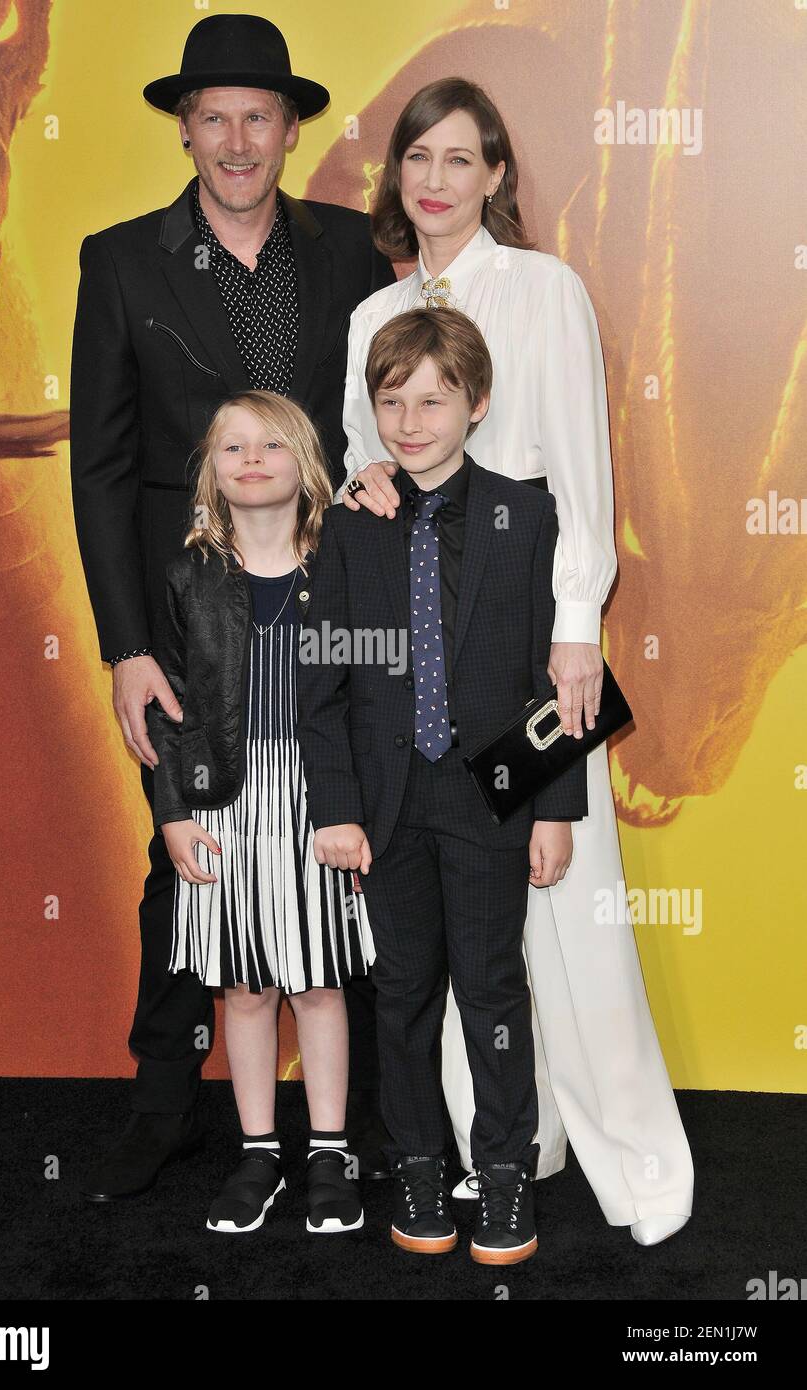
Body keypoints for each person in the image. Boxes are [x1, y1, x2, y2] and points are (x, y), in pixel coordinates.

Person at [338, 78, 694, 1244]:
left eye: (459, 159)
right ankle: (503, 1153)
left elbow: (579, 468)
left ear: (497, 175)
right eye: (416, 159)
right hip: (420, 668)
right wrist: (365, 477)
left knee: (570, 903)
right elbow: (360, 469)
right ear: (395, 179)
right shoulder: (371, 315)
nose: (434, 180)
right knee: (453, 938)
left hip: (536, 656)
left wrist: (578, 625)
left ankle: (638, 1168)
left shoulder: (546, 290)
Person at [70, 14, 395, 1202]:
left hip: (328, 613)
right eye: (214, 116)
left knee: (341, 842)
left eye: (260, 115)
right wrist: (124, 647)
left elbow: (387, 415)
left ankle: (350, 1129)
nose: (238, 139)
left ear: (292, 128)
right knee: (189, 860)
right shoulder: (121, 260)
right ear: (185, 128)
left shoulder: (356, 250)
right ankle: (165, 1105)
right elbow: (101, 467)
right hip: (185, 627)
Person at [297, 305, 589, 1262]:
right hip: (386, 806)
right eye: (392, 401)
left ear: (477, 403)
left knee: (494, 989)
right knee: (404, 990)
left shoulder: (527, 515)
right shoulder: (352, 526)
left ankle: (504, 1176)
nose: (411, 420)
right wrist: (334, 807)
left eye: (433, 399)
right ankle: (418, 1166)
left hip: (490, 796)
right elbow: (322, 681)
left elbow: (552, 679)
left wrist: (554, 809)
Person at [146, 390, 372, 1234]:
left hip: (321, 804)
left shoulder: (341, 570)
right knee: (243, 987)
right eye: (232, 447)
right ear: (211, 471)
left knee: (315, 982)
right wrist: (172, 812)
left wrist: (356, 808)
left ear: (306, 466)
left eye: (271, 445)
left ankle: (328, 1151)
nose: (250, 459)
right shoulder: (186, 579)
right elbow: (167, 711)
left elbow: (369, 691)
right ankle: (256, 1153)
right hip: (223, 808)